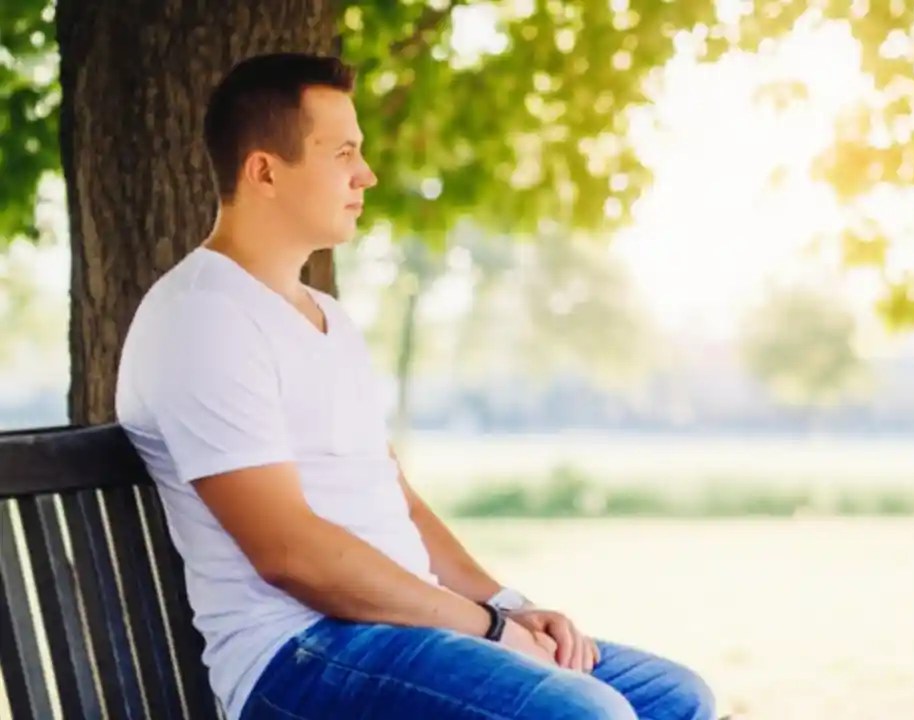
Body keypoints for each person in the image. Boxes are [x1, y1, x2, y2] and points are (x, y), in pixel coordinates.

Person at [115, 52, 717, 720]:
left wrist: (508, 606)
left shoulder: (328, 319)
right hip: (299, 655)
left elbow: (396, 498)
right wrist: (489, 630)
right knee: (585, 715)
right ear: (264, 171)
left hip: (404, 632)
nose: (366, 174)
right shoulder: (204, 317)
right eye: (343, 153)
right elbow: (290, 553)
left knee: (675, 699)